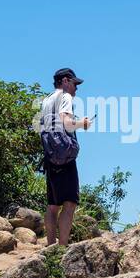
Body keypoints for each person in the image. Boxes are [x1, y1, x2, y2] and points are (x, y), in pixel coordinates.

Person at [39, 67, 91, 246]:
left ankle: (50, 247)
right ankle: (62, 248)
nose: (77, 88)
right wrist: (82, 123)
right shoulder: (65, 97)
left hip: (50, 156)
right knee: (69, 204)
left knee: (52, 206)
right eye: (75, 83)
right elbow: (67, 123)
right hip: (65, 158)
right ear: (66, 81)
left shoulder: (46, 100)